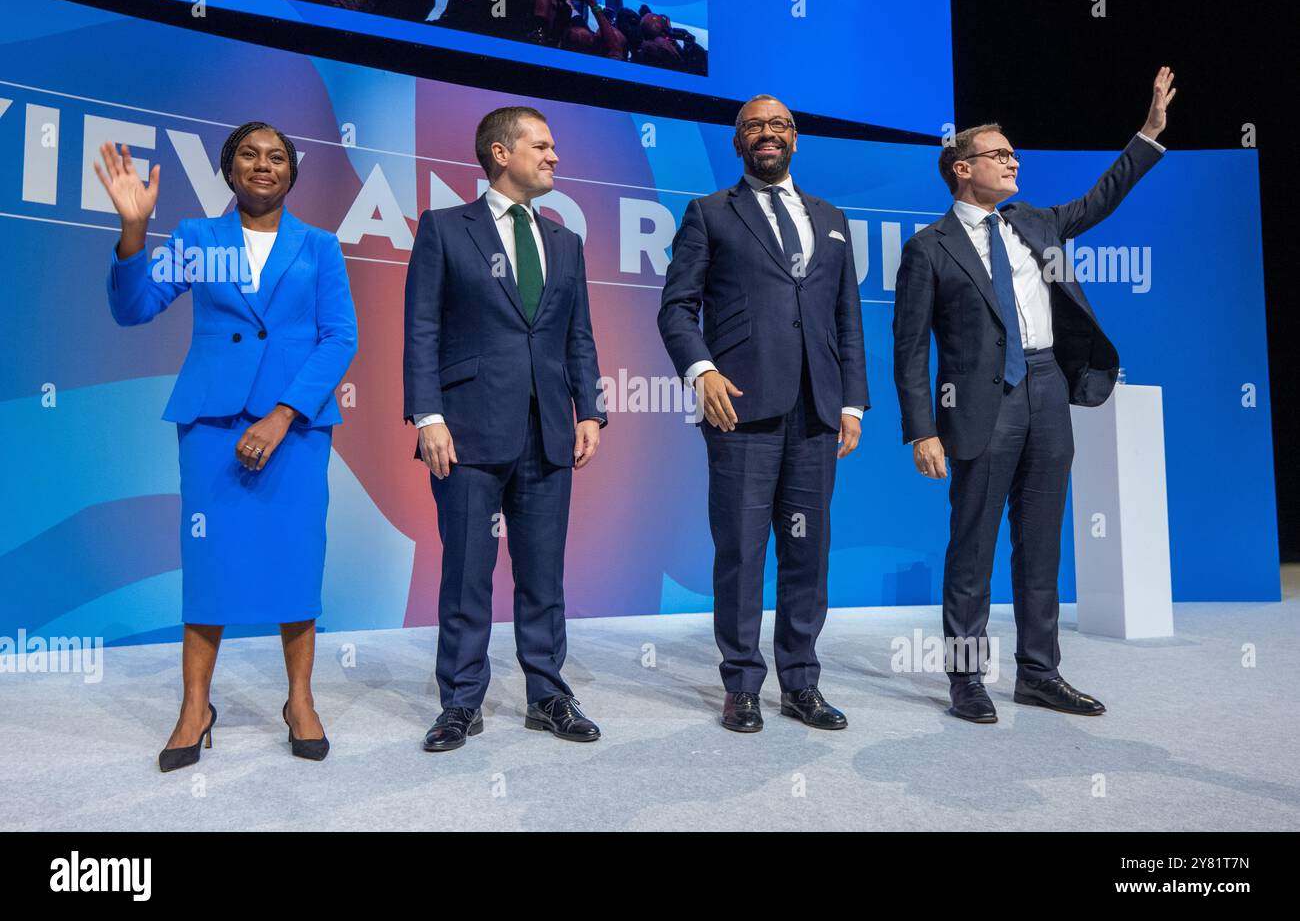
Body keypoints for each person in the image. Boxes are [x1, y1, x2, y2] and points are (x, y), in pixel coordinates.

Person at [892, 69, 1176, 722]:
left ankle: (1039, 673)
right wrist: (921, 429)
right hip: (978, 405)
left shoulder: (1037, 223)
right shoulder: (928, 250)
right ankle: (966, 680)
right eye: (1000, 154)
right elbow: (910, 348)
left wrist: (1149, 134)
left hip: (1047, 390)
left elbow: (1102, 197)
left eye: (1013, 153)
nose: (1013, 161)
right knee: (973, 544)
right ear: (962, 169)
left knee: (1041, 540)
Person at [96, 122, 358, 770]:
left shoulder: (320, 246)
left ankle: (299, 701)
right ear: (229, 170)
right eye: (249, 154)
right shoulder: (197, 238)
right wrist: (134, 230)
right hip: (211, 425)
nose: (263, 165)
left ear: (291, 174)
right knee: (208, 563)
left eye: (276, 157)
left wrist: (280, 415)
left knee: (296, 559)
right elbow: (134, 308)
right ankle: (195, 708)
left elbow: (339, 338)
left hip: (294, 429)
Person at [658, 94, 869, 733]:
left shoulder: (831, 218)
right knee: (742, 553)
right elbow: (676, 308)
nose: (766, 134)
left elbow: (847, 319)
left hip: (815, 414)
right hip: (741, 412)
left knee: (809, 552)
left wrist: (852, 401)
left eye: (778, 125)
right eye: (753, 127)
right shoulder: (709, 214)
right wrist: (702, 370)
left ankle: (801, 684)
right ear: (737, 143)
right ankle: (742, 685)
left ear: (796, 139)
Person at [403, 106, 606, 751]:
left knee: (544, 574)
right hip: (464, 430)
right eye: (540, 146)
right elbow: (422, 331)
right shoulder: (443, 229)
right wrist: (428, 415)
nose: (553, 157)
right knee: (466, 570)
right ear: (499, 153)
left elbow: (578, 336)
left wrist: (591, 410)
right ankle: (461, 701)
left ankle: (547, 693)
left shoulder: (566, 241)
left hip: (547, 429)